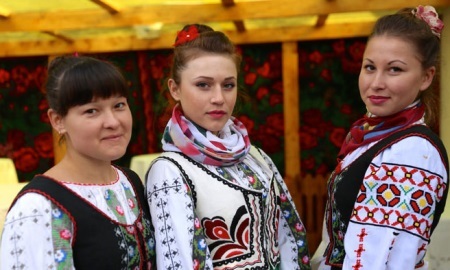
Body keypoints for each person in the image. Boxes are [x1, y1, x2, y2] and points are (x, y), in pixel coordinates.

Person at [145, 24, 311, 269]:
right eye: (203, 85)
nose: (219, 98)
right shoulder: (170, 171)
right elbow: (178, 263)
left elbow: (288, 238)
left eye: (228, 85)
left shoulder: (256, 156)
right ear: (175, 89)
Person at [312, 5, 448, 270]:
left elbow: (379, 262)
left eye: (394, 69)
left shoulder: (412, 152)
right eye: (370, 67)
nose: (376, 82)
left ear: (426, 77)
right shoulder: (373, 136)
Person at [0, 55, 156, 269]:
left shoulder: (130, 182)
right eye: (91, 111)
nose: (112, 122)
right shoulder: (38, 208)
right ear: (58, 121)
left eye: (119, 105)